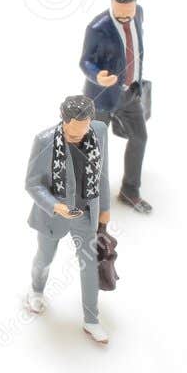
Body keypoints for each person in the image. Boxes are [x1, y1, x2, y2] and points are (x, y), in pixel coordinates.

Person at [23, 95, 113, 344]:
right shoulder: (44, 141)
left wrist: (104, 207)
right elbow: (32, 183)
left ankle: (91, 319)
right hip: (54, 217)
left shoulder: (100, 131)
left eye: (83, 131)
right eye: (72, 134)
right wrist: (56, 206)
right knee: (45, 257)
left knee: (89, 265)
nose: (78, 138)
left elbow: (103, 172)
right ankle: (36, 290)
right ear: (64, 121)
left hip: (86, 214)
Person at [79, 0, 152, 213]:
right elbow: (85, 61)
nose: (124, 18)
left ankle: (130, 190)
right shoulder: (97, 27)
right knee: (95, 147)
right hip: (102, 97)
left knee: (139, 137)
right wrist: (97, 76)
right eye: (119, 14)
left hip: (130, 92)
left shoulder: (138, 14)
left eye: (128, 13)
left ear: (135, 5)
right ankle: (89, 197)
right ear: (111, 3)